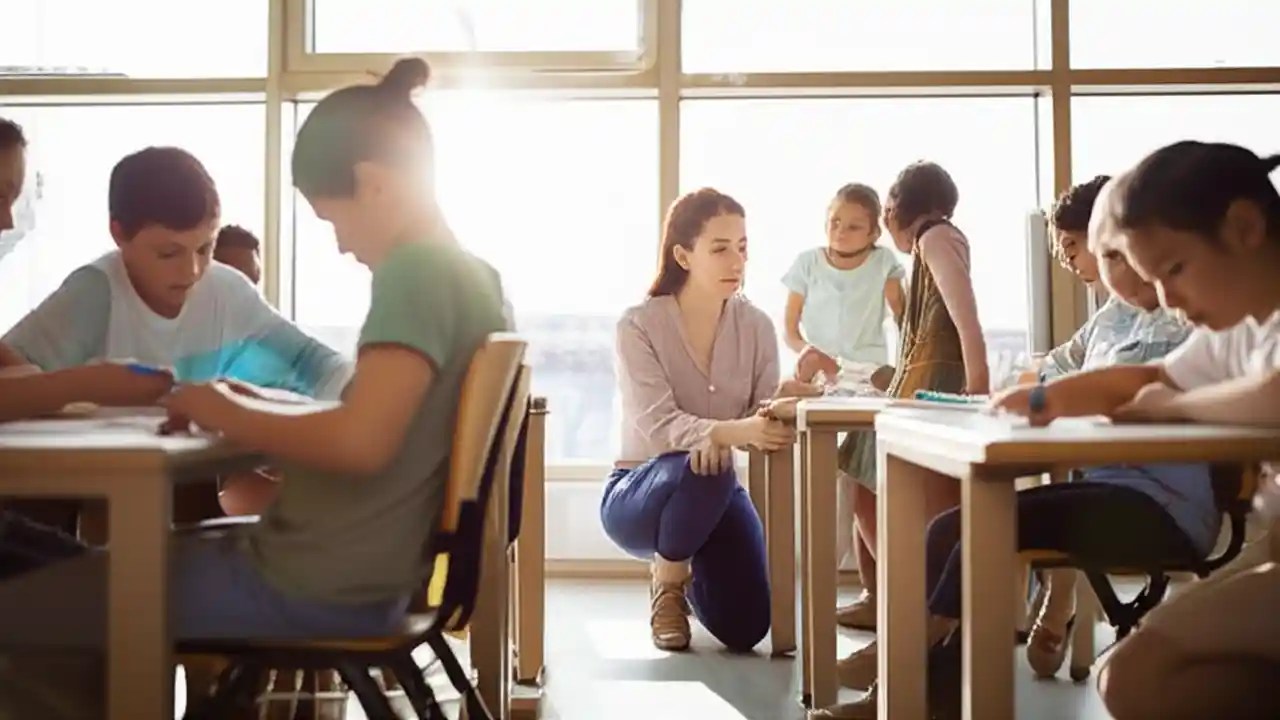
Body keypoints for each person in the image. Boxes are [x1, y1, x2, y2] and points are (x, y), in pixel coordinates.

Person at [0, 56, 509, 720]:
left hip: (313, 576)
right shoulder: (473, 278)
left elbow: (361, 442)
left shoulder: (414, 276)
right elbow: (383, 420)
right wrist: (257, 403)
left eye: (332, 219)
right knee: (90, 564)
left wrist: (224, 412)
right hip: (361, 571)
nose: (341, 245)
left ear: (374, 185)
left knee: (31, 604)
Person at [995, 141, 1280, 720]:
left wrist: (1178, 410)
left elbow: (1272, 393)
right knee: (1129, 678)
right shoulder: (1241, 324)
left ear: (1245, 227)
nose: (1169, 302)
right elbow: (1149, 378)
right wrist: (1047, 398)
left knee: (1137, 677)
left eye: (1174, 269)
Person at [604, 187, 793, 653]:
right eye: (721, 248)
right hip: (640, 493)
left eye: (743, 247)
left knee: (747, 629)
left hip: (717, 493)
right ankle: (667, 585)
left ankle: (688, 570)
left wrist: (788, 401)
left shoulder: (758, 327)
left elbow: (760, 416)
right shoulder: (638, 326)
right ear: (683, 256)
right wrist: (729, 433)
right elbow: (661, 426)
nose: (737, 261)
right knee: (706, 456)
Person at [830, 162, 988, 645]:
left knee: (917, 503)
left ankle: (915, 609)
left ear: (895, 208)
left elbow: (965, 316)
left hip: (936, 386)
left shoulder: (937, 239)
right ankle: (891, 603)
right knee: (863, 475)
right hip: (918, 382)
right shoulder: (933, 242)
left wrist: (978, 386)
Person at [783, 182, 905, 383]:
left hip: (869, 370)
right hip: (819, 369)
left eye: (854, 227)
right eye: (835, 222)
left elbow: (903, 316)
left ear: (874, 233)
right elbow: (789, 328)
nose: (841, 231)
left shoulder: (883, 261)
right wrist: (808, 351)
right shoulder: (807, 263)